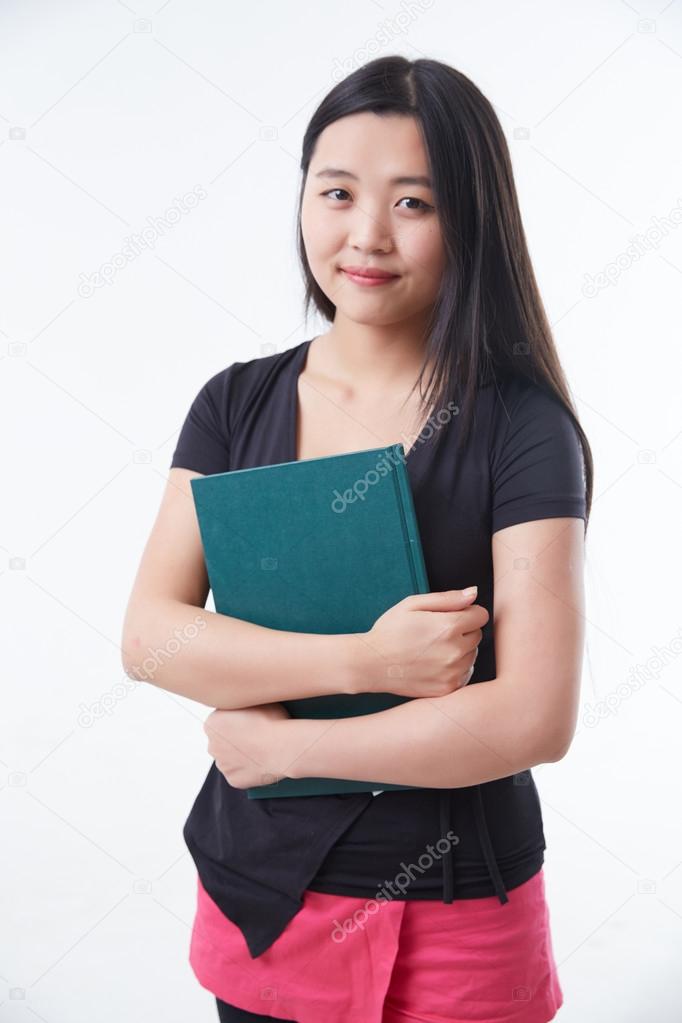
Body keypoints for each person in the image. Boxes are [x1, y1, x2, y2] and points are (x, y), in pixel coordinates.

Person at [122, 55, 592, 1023]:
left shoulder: (521, 428)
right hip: (261, 903)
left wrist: (288, 753)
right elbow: (152, 637)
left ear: (470, 218)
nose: (365, 234)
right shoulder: (234, 403)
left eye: (413, 203)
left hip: (456, 921)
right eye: (336, 193)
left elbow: (534, 716)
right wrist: (366, 660)